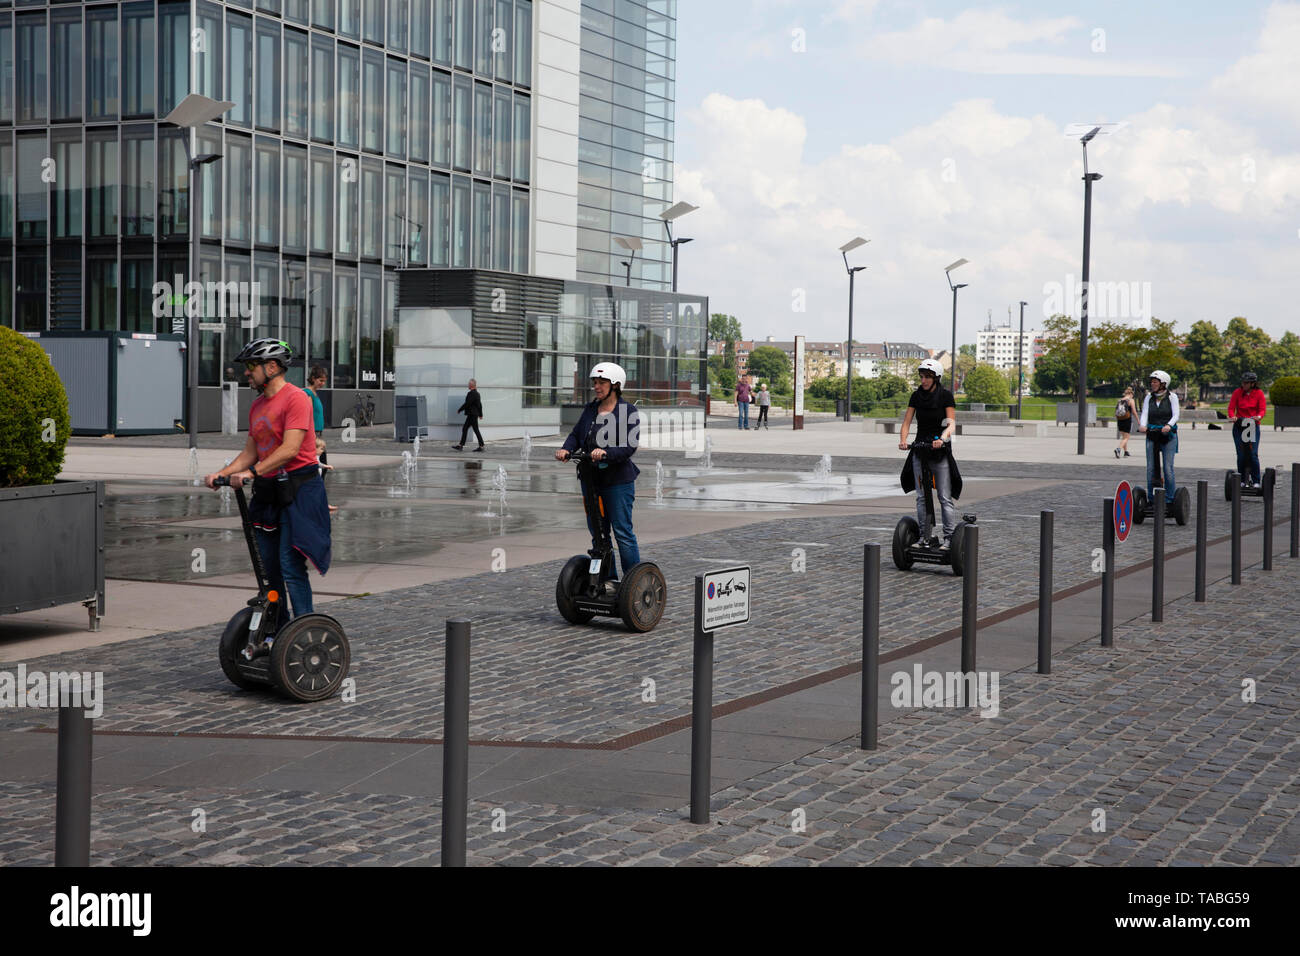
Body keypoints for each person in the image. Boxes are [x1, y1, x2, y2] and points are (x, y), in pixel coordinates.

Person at [203, 339, 331, 651]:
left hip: (299, 490)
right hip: (269, 492)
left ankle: (304, 634)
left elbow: (290, 449)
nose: (246, 373)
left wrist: (252, 472)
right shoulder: (259, 405)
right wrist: (224, 472)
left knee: (290, 564)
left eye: (251, 366)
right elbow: (251, 451)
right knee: (268, 568)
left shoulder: (296, 399)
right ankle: (278, 631)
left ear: (271, 368)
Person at [554, 362, 641, 584]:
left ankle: (633, 584)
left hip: (617, 482)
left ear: (615, 385)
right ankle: (609, 581)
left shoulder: (627, 411)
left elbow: (629, 446)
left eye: (602, 383)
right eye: (595, 383)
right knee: (599, 534)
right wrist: (567, 449)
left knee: (622, 533)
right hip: (591, 479)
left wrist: (606, 453)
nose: (597, 387)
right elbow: (575, 434)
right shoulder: (591, 409)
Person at [897, 358, 961, 549]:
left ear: (936, 378)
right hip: (920, 449)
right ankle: (925, 536)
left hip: (939, 450)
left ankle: (949, 538)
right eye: (922, 377)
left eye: (927, 377)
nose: (923, 380)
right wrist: (903, 440)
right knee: (922, 496)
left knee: (943, 497)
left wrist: (942, 438)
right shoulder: (916, 396)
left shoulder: (946, 396)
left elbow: (951, 423)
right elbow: (907, 422)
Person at [1138, 369, 1180, 510]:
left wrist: (1169, 425)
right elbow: (1144, 413)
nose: (1152, 384)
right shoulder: (1148, 398)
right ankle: (1151, 499)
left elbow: (1176, 415)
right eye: (1152, 382)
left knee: (1167, 468)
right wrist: (1142, 425)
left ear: (1163, 383)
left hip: (1168, 436)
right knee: (1151, 468)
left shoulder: (1172, 397)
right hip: (1152, 434)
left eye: (1155, 382)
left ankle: (1169, 500)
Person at [1228, 370, 1266, 488]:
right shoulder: (1237, 392)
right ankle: (1242, 479)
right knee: (1241, 455)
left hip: (1252, 426)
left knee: (1253, 454)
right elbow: (1231, 408)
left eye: (1246, 383)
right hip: (1240, 426)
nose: (1243, 385)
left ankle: (1256, 481)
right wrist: (1232, 416)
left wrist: (1259, 416)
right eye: (1243, 382)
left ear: (1252, 384)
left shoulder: (1259, 393)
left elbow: (1262, 409)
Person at [454, 378, 484, 452]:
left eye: (468, 384)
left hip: (472, 414)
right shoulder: (477, 393)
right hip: (473, 414)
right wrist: (480, 414)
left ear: (471, 385)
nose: (468, 385)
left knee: (474, 429)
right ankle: (461, 445)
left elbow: (467, 404)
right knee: (466, 428)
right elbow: (480, 405)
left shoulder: (471, 393)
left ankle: (481, 446)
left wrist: (460, 409)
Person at [1114, 386, 1137, 458]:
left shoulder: (1120, 400)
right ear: (1131, 394)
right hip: (1127, 419)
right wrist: (1138, 421)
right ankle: (1118, 449)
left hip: (1120, 420)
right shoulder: (1131, 400)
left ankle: (1126, 452)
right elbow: (1134, 411)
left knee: (1124, 437)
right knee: (1126, 438)